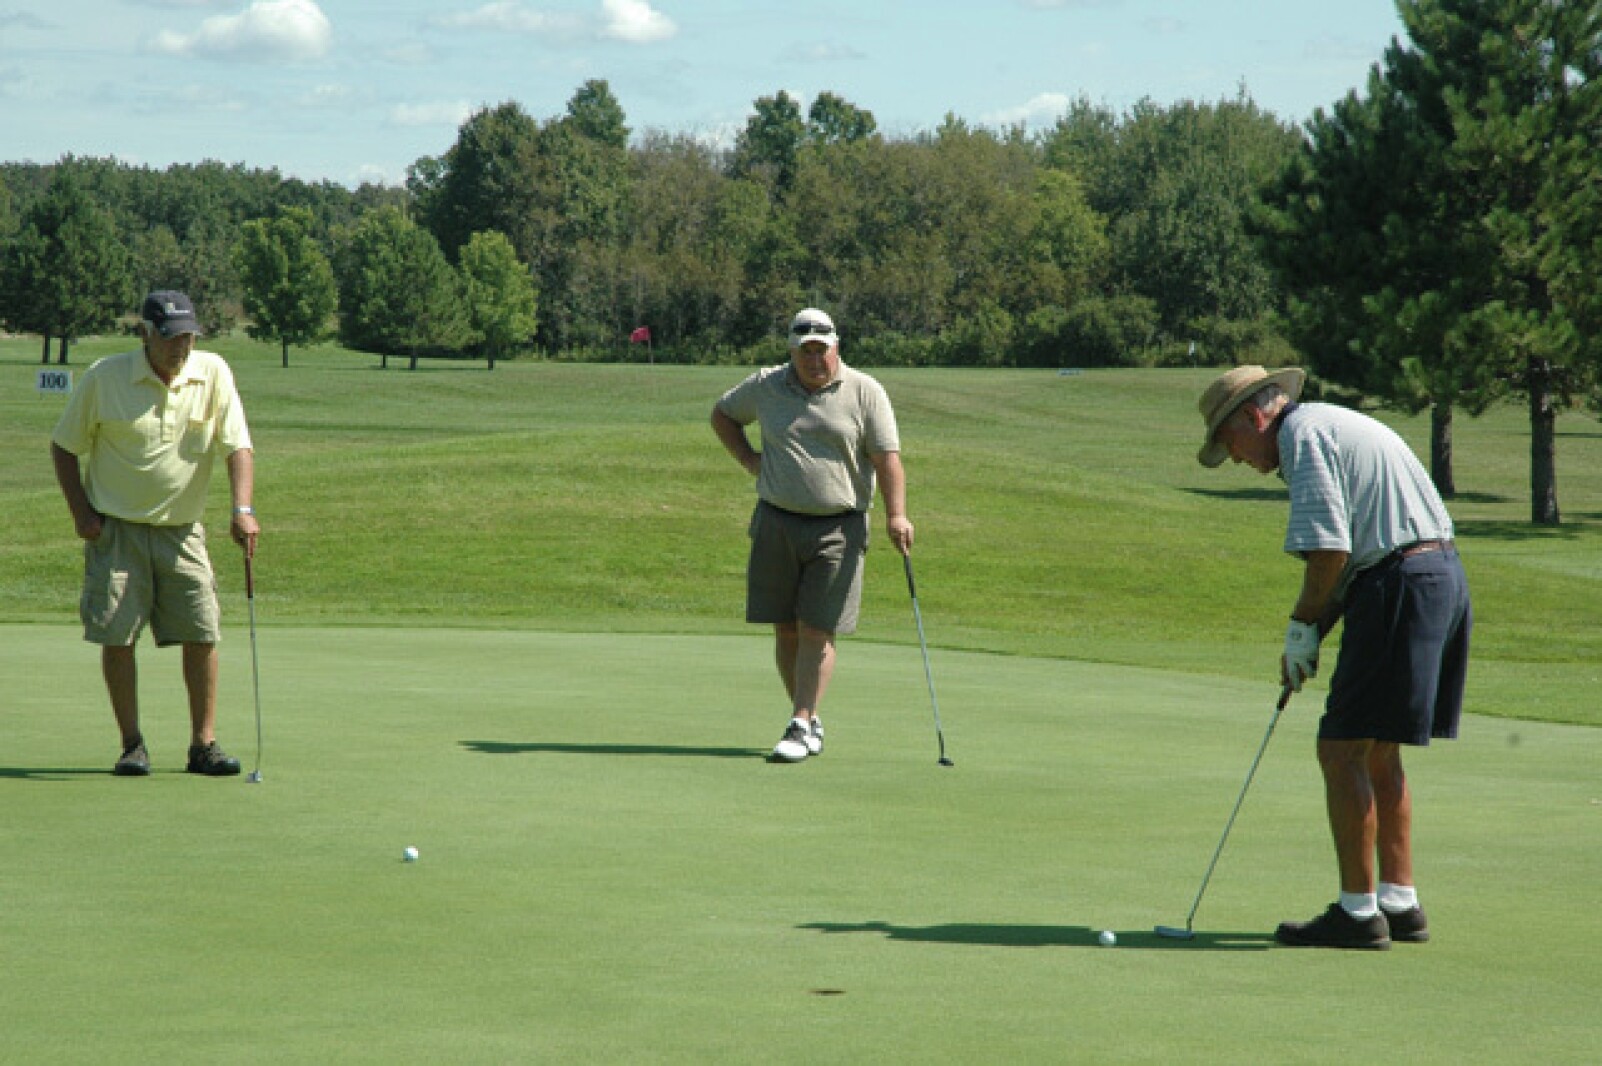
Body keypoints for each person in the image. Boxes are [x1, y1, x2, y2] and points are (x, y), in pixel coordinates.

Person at [1196, 365, 1472, 949]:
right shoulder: (1328, 423)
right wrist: (1313, 633)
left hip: (1399, 582)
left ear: (1254, 416)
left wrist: (1300, 627)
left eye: (1229, 442)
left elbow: (1330, 552)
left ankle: (1358, 912)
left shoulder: (1301, 437)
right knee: (1378, 749)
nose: (1235, 458)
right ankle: (1399, 902)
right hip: (1437, 576)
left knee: (1341, 748)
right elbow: (1346, 562)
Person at [50, 290, 261, 777]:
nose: (180, 347)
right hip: (117, 531)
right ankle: (132, 745)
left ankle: (203, 745)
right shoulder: (105, 377)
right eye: (169, 337)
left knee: (202, 631)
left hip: (183, 532)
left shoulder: (213, 372)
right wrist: (81, 513)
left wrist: (242, 509)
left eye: (187, 337)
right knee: (118, 635)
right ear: (144, 333)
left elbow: (237, 446)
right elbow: (64, 446)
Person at [711, 308, 914, 762]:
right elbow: (723, 415)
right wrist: (748, 459)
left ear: (836, 347)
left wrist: (896, 515)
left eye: (821, 350)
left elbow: (887, 458)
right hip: (775, 520)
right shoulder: (766, 385)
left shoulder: (864, 391)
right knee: (785, 628)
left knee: (818, 629)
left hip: (839, 526)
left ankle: (800, 721)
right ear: (792, 351)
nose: (814, 359)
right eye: (805, 351)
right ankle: (807, 718)